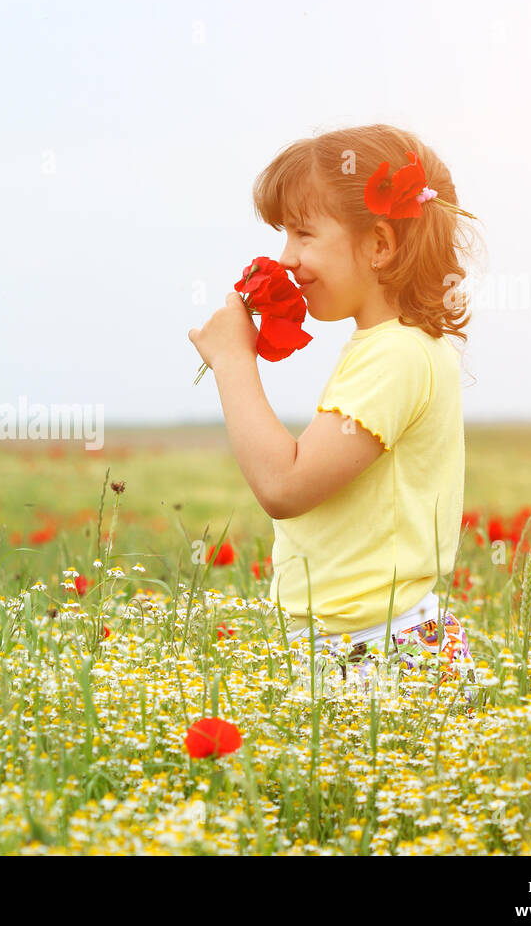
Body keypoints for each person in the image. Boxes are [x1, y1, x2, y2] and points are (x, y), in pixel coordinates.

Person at [187, 124, 483, 699]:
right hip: (366, 645)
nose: (287, 258)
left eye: (302, 234)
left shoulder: (396, 354)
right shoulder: (392, 347)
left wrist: (232, 362)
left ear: (378, 244)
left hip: (379, 653)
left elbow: (285, 484)